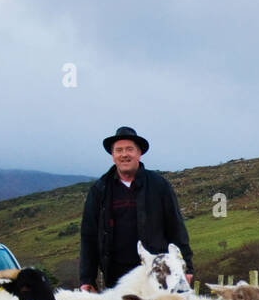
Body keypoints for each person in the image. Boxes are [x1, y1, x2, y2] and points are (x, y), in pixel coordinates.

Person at [79, 125, 194, 291]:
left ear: (139, 153)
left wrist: (187, 268)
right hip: (116, 276)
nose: (124, 154)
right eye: (118, 150)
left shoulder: (159, 185)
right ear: (113, 156)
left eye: (129, 149)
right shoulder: (100, 189)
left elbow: (176, 228)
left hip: (157, 273)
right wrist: (87, 278)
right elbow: (89, 235)